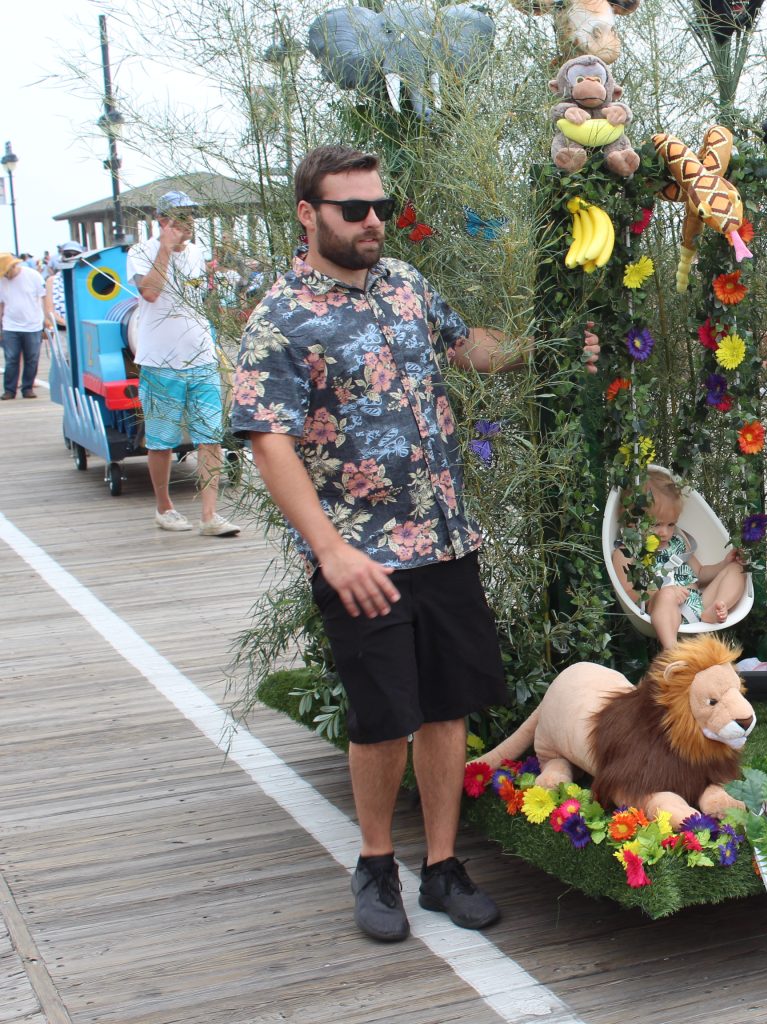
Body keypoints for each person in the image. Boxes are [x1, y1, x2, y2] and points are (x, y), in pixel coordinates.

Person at [230, 144, 602, 942]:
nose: (373, 221)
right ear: (308, 214)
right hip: (362, 556)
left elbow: (468, 346)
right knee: (381, 717)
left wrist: (549, 347)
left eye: (380, 207)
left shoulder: (404, 283)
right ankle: (374, 866)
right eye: (353, 209)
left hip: (445, 540)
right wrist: (330, 551)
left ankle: (440, 866)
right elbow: (268, 440)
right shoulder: (280, 317)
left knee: (445, 708)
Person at [128, 192, 242, 537]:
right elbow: (150, 292)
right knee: (161, 440)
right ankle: (164, 507)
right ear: (162, 220)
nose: (189, 223)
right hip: (160, 362)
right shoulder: (140, 252)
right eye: (180, 216)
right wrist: (165, 249)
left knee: (211, 437)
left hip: (201, 357)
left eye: (191, 216)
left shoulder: (196, 252)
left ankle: (210, 515)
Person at [612, 470, 747, 647]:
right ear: (632, 521)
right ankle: (671, 649)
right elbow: (630, 595)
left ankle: (718, 606)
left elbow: (700, 573)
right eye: (656, 524)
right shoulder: (626, 553)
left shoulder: (677, 542)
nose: (665, 532)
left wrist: (724, 564)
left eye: (671, 524)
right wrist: (665, 592)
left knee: (738, 568)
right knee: (667, 594)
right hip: (663, 610)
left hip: (698, 603)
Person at [0, 251, 51, 399]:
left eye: (6, 272)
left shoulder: (32, 275)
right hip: (10, 325)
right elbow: (1, 304)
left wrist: (47, 319)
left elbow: (43, 297)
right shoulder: (2, 281)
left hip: (33, 324)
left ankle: (27, 388)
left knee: (32, 358)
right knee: (11, 358)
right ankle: (9, 390)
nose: (6, 275)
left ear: (13, 267)